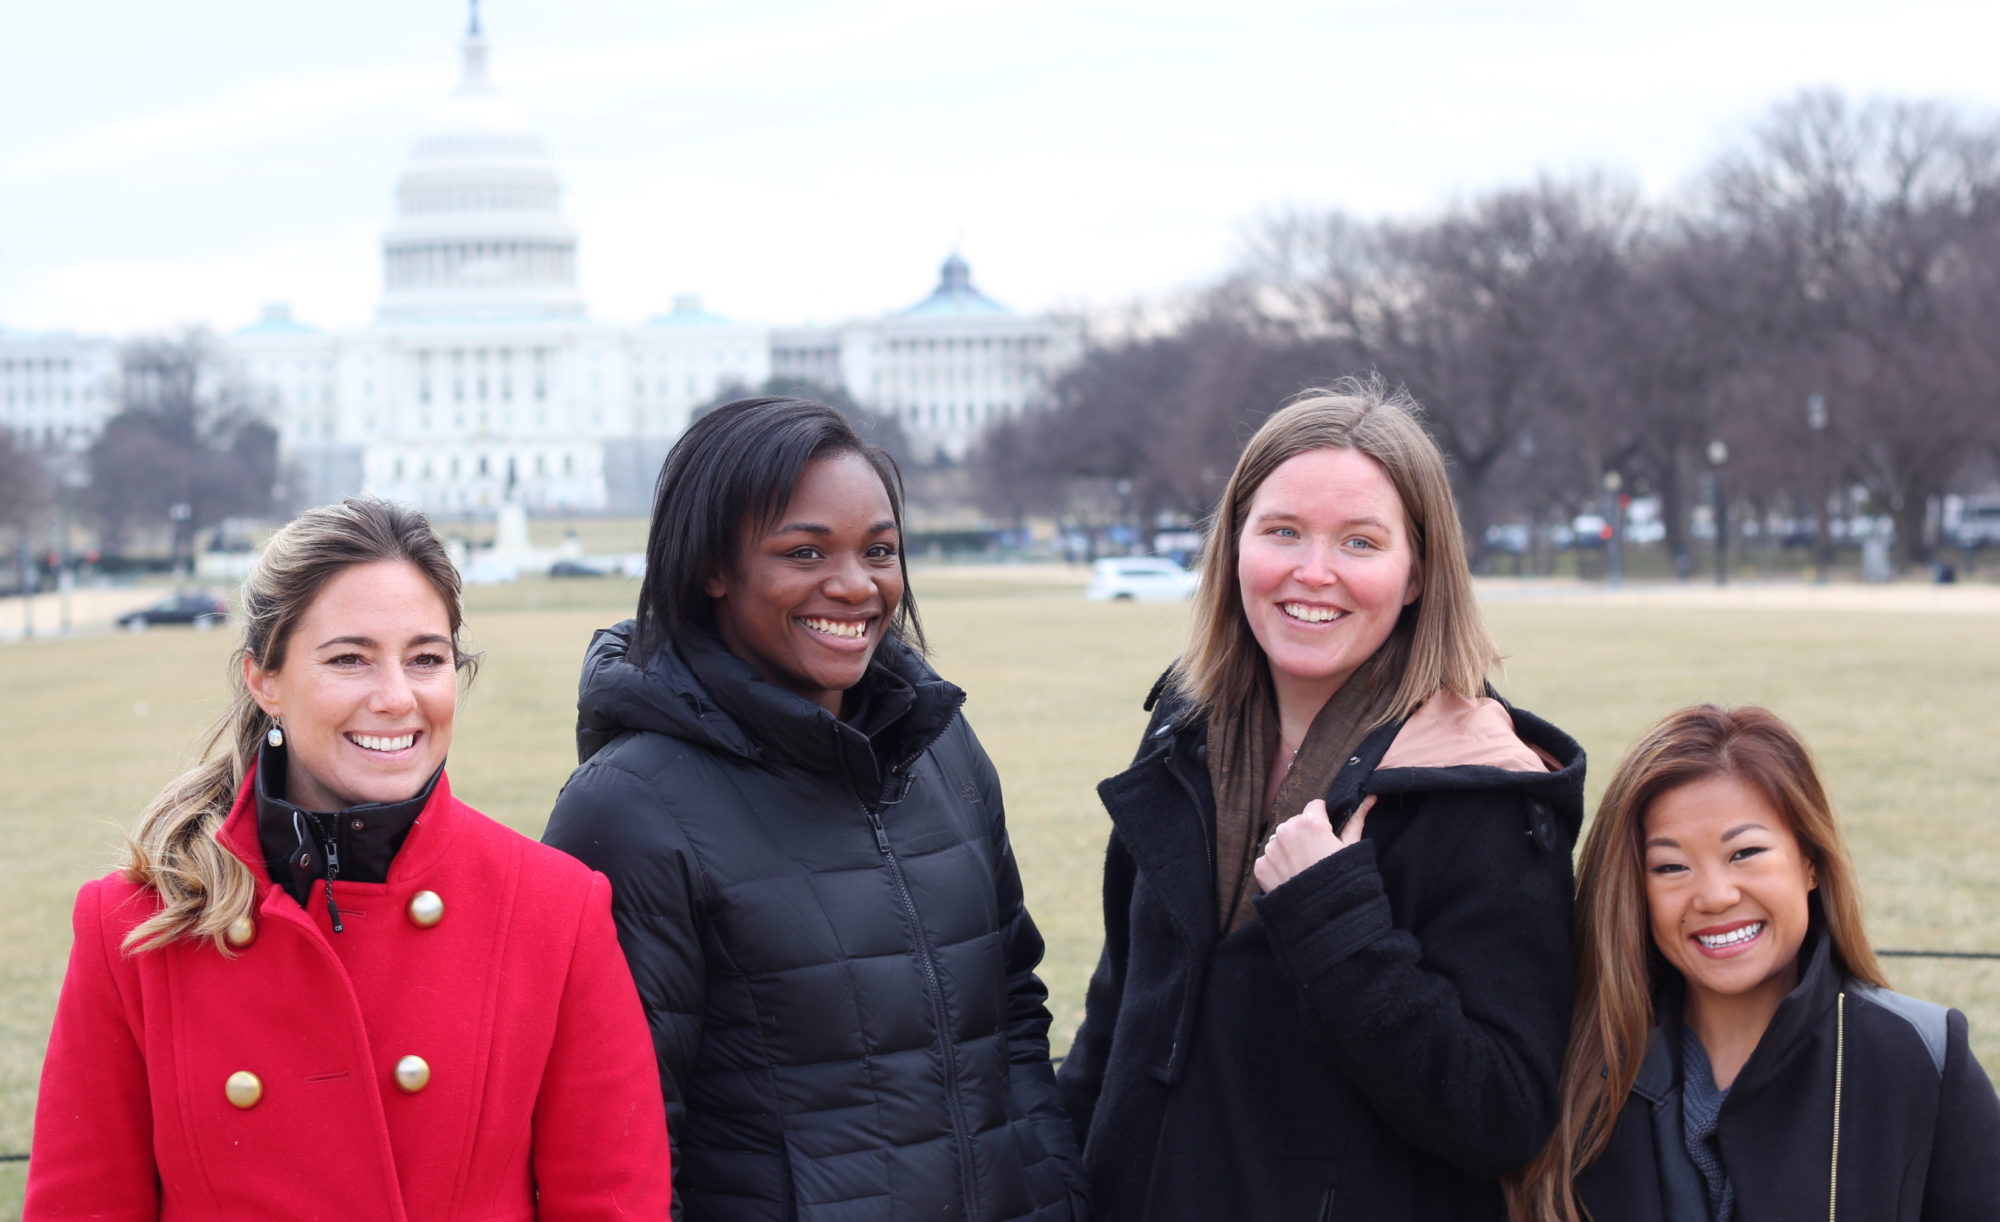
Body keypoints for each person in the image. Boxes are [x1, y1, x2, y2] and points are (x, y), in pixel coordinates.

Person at [26, 498, 671, 1221]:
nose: (397, 698)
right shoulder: (132, 925)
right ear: (263, 680)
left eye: (426, 658)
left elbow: (613, 1206)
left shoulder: (554, 909)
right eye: (349, 659)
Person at [541, 396, 1087, 1222]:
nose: (856, 586)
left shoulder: (941, 748)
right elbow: (626, 1137)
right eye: (805, 552)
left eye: (880, 550)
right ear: (711, 569)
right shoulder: (627, 808)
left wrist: (1055, 1193)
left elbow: (1010, 1009)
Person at [1056, 379, 1587, 1221]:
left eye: (1361, 543)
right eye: (1283, 532)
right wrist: (1062, 1181)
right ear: (1234, 546)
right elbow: (1122, 1010)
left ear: (1417, 574)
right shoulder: (1184, 731)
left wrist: (1334, 920)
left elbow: (1504, 1113)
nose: (1314, 572)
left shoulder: (1483, 789)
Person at [1514, 703, 2000, 1221]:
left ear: (1810, 862)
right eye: (1671, 866)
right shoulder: (1579, 1070)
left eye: (1744, 853)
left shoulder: (1924, 1055)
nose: (1715, 896)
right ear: (1636, 892)